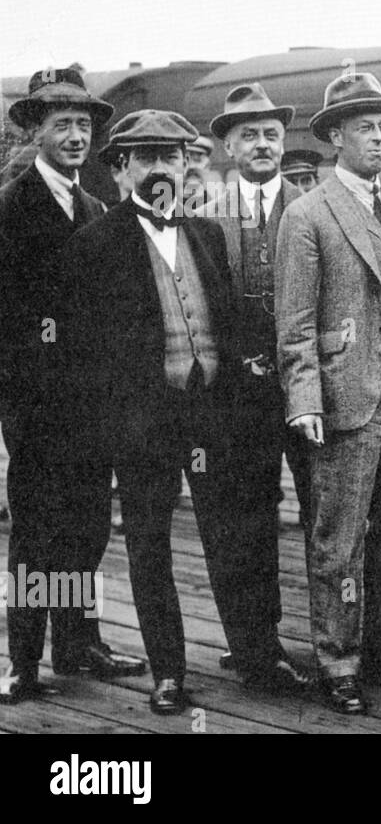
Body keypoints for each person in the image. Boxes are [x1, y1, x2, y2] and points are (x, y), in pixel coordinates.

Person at [61, 109, 309, 715]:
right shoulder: (94, 243)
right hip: (142, 426)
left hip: (212, 419)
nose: (160, 169)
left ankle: (257, 656)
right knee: (149, 546)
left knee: (237, 538)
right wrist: (114, 418)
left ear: (186, 165)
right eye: (146, 157)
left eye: (171, 157)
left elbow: (227, 322)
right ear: (121, 170)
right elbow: (80, 348)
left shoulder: (207, 235)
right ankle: (169, 671)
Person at [277, 72, 381, 716]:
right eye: (364, 128)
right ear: (334, 137)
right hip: (348, 395)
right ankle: (339, 659)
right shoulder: (308, 214)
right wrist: (305, 397)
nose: (378, 138)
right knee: (338, 536)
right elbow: (294, 322)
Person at [0, 68, 146, 706]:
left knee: (88, 528)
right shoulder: (9, 207)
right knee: (37, 533)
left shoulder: (94, 209)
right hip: (36, 408)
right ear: (35, 132)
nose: (76, 136)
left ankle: (79, 643)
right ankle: (24, 659)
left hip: (90, 406)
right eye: (62, 124)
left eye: (84, 125)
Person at [202, 84, 316, 674]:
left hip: (308, 390)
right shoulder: (202, 215)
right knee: (244, 519)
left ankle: (340, 641)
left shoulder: (313, 208)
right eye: (249, 134)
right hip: (234, 399)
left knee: (327, 514)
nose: (263, 144)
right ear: (227, 144)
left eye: (272, 133)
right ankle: (254, 646)